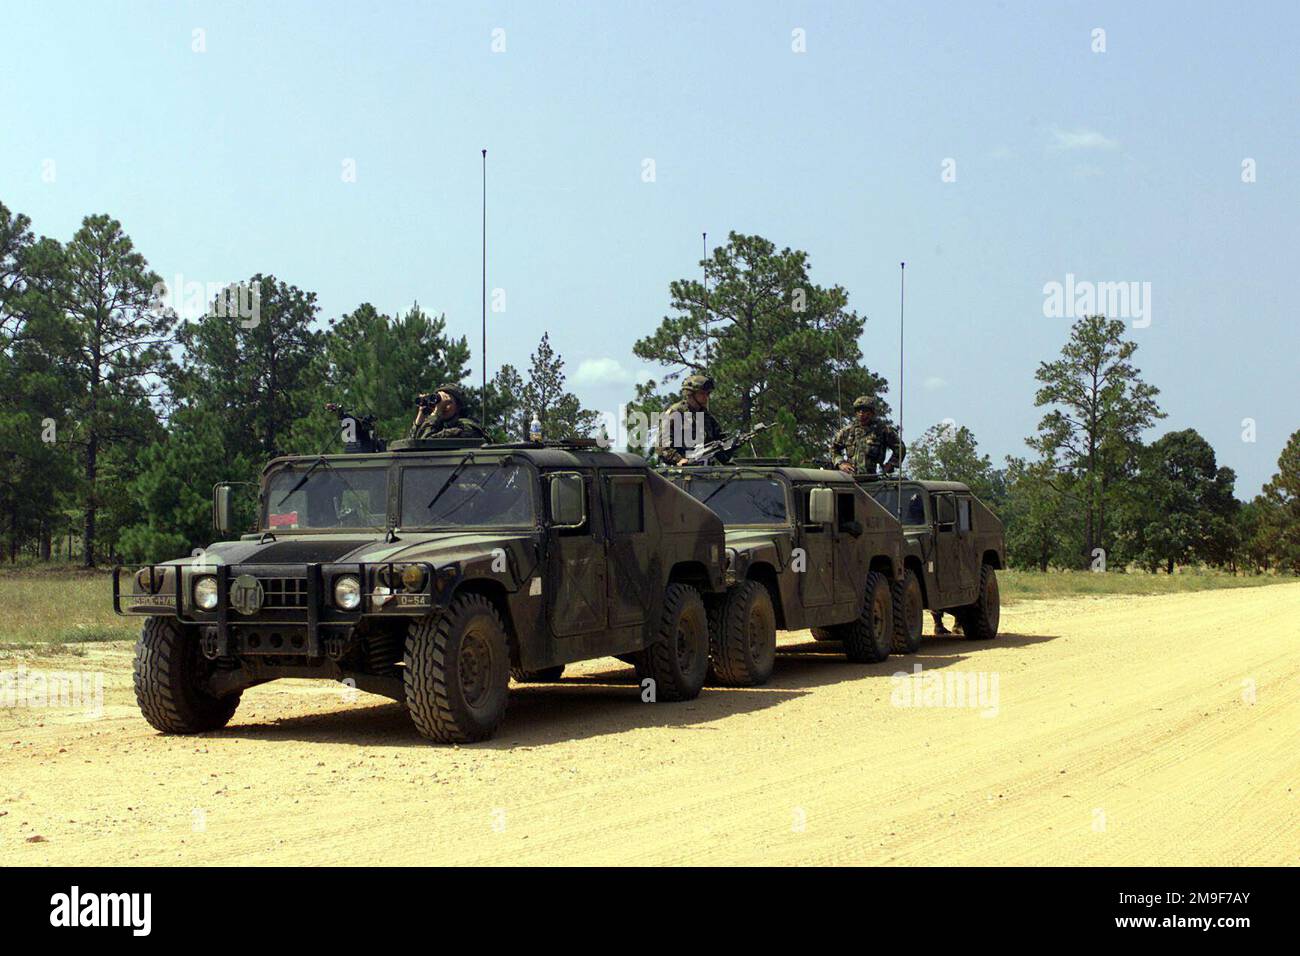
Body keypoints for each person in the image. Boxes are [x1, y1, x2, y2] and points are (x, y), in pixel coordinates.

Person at [657, 373, 728, 465]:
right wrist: (678, 459)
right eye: (702, 393)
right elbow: (662, 445)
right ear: (690, 394)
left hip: (706, 472)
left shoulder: (706, 416)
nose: (706, 397)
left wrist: (731, 446)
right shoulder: (675, 413)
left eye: (708, 394)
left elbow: (719, 443)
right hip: (679, 473)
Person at [831, 396, 905, 475]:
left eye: (865, 411)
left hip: (873, 479)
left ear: (872, 413)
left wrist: (891, 464)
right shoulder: (847, 431)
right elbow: (834, 448)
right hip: (850, 478)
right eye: (858, 411)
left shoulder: (882, 431)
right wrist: (841, 463)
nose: (861, 414)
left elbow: (900, 448)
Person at [409, 384, 488, 440]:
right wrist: (421, 414)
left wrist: (435, 413)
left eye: (448, 402)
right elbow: (412, 445)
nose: (443, 406)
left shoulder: (465, 427)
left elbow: (426, 442)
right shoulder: (440, 425)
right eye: (440, 403)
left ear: (458, 407)